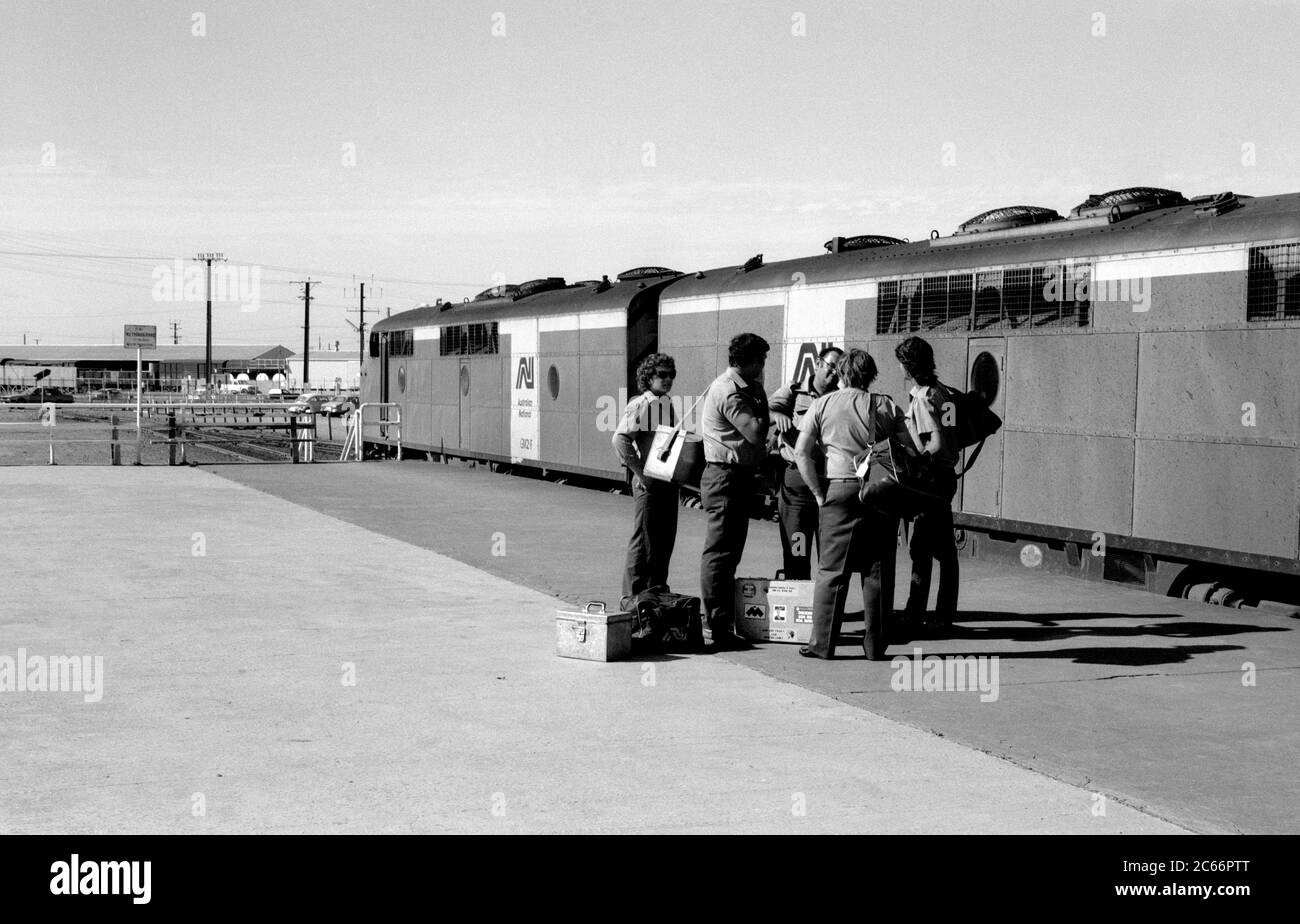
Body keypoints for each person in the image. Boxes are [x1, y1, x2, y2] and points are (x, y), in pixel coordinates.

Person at [794, 349, 908, 659]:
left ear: (842, 373)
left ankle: (822, 645)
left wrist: (818, 493)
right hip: (879, 492)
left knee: (832, 571)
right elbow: (908, 448)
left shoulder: (822, 404)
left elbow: (801, 452)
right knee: (878, 571)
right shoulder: (885, 404)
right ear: (871, 376)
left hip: (839, 489)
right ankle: (875, 647)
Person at [698, 332, 770, 651]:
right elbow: (755, 432)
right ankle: (717, 625)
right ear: (750, 361)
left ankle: (721, 622)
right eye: (762, 360)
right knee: (721, 554)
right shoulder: (730, 392)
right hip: (726, 478)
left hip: (733, 477)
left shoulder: (737, 387)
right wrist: (762, 397)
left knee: (728, 553)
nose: (764, 367)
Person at [895, 336, 960, 637]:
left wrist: (913, 458)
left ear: (908, 366)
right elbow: (952, 435)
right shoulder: (941, 391)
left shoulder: (922, 398)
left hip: (931, 479)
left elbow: (936, 442)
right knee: (944, 551)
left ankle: (918, 614)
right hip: (946, 476)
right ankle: (940, 614)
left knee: (921, 549)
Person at [768, 346, 843, 580]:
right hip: (798, 487)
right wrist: (777, 415)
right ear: (818, 364)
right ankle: (799, 594)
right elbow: (764, 410)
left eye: (840, 370)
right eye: (831, 367)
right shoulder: (793, 391)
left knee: (828, 554)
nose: (835, 374)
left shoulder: (841, 398)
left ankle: (823, 600)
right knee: (797, 549)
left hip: (828, 484)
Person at [612, 353, 680, 598]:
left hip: (666, 481)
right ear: (648, 377)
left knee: (664, 541)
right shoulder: (643, 404)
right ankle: (632, 599)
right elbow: (620, 439)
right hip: (649, 483)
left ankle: (655, 593)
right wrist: (640, 474)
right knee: (644, 542)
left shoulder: (666, 403)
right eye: (662, 375)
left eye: (671, 375)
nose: (668, 379)